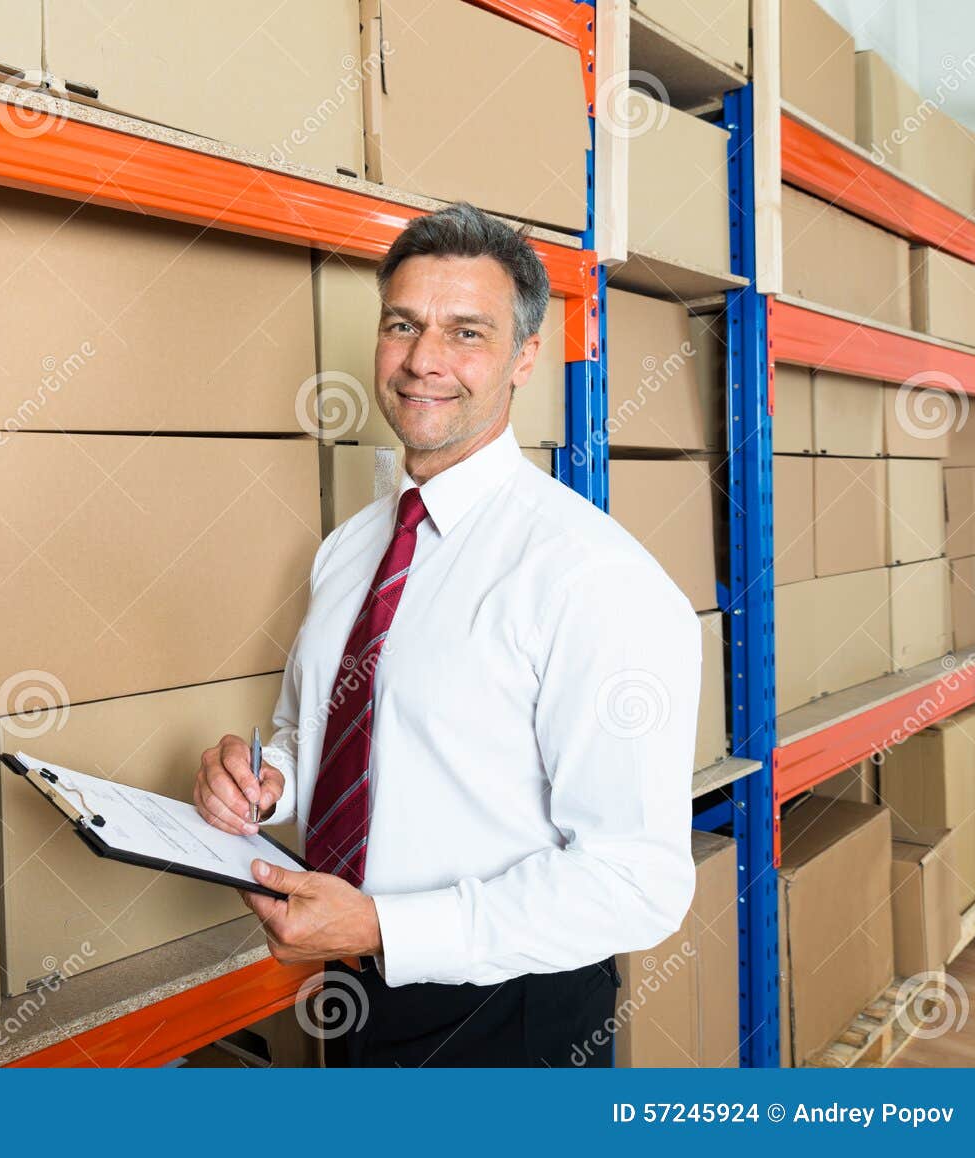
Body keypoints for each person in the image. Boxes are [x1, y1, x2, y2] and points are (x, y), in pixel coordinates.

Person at [192, 202, 700, 1067]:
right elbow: (320, 736)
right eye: (404, 325)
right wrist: (266, 784)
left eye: (467, 332)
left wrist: (388, 925)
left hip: (508, 1019)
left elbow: (635, 882)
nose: (425, 360)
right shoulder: (350, 549)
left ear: (524, 359)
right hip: (349, 988)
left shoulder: (592, 578)